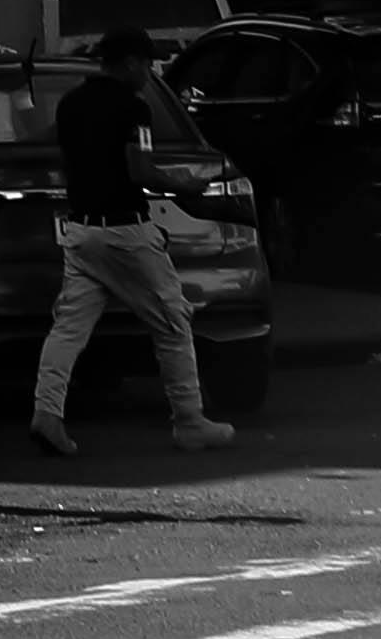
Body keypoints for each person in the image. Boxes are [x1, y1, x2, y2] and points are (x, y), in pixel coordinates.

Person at [33, 27, 238, 461]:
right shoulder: (134, 109)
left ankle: (47, 412)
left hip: (82, 232)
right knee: (173, 321)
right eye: (146, 63)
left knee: (68, 328)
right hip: (126, 232)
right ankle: (189, 421)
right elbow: (140, 170)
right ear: (127, 63)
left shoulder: (70, 104)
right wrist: (183, 184)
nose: (151, 71)